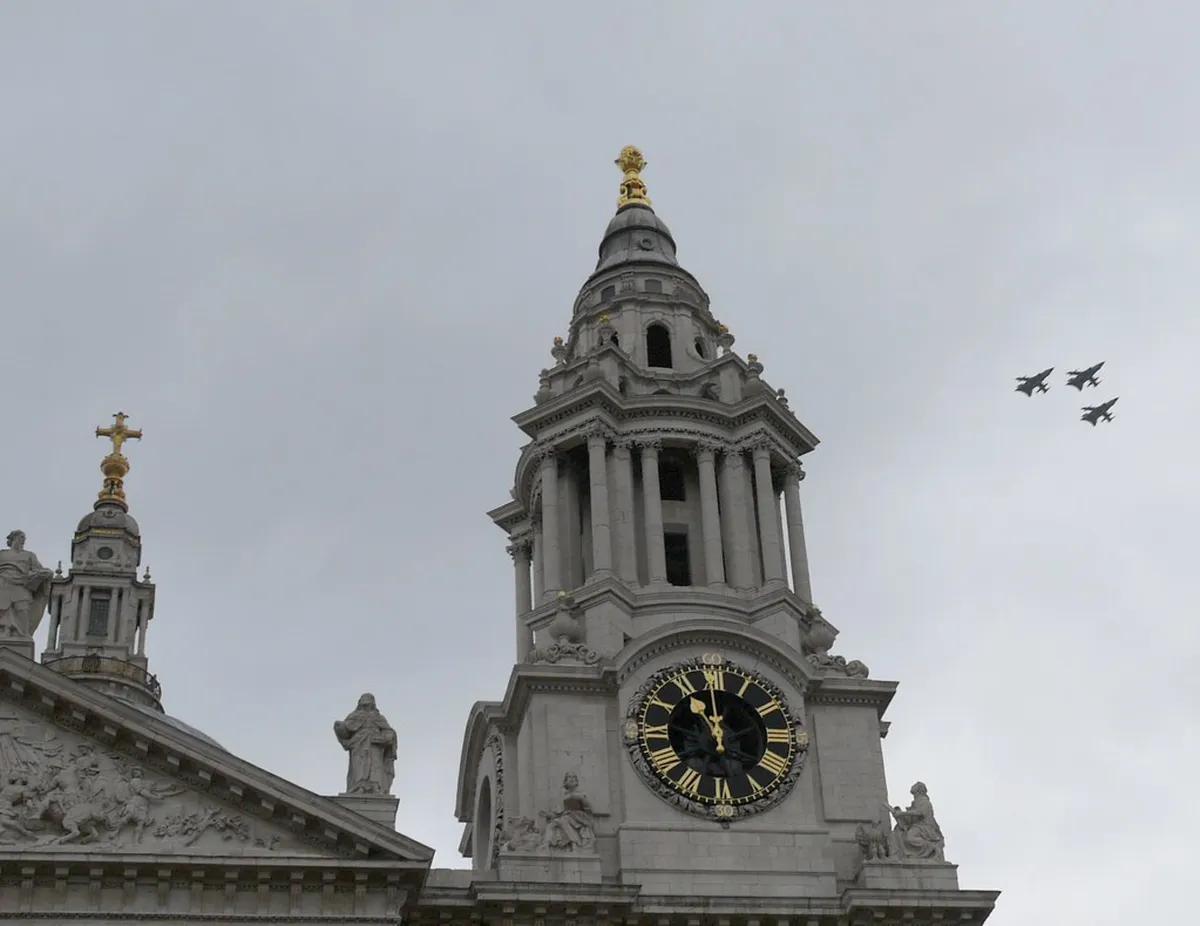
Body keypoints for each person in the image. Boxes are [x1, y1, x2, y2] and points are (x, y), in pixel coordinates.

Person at [333, 694, 397, 795]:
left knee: (375, 764)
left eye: (369, 704)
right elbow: (346, 730)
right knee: (359, 764)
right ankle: (359, 786)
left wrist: (387, 737)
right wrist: (340, 727)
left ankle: (375, 786)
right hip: (359, 744)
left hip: (375, 744)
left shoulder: (379, 717)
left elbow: (388, 731)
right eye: (365, 704)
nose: (367, 707)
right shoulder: (354, 716)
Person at [0, 530, 52, 638]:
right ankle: (5, 630)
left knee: (22, 609)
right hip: (3, 583)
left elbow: (39, 569)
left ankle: (22, 634)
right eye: (21, 537)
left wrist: (47, 573)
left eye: (24, 538)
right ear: (13, 538)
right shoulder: (2, 554)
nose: (23, 540)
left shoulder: (29, 555)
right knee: (3, 610)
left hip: (21, 585)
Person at [888, 781, 946, 860]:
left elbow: (920, 812)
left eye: (914, 792)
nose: (914, 795)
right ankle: (904, 854)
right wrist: (898, 815)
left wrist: (902, 813)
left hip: (925, 827)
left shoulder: (924, 801)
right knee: (898, 833)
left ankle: (932, 847)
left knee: (910, 838)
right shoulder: (916, 802)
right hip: (917, 826)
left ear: (919, 791)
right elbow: (911, 819)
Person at [539, 773, 595, 851]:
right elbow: (558, 812)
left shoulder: (581, 793)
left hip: (579, 817)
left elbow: (589, 808)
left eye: (574, 777)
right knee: (551, 825)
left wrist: (578, 798)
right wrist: (547, 814)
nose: (571, 779)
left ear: (576, 781)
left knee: (564, 821)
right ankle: (546, 844)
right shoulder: (562, 796)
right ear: (565, 781)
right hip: (567, 816)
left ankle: (575, 843)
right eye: (569, 777)